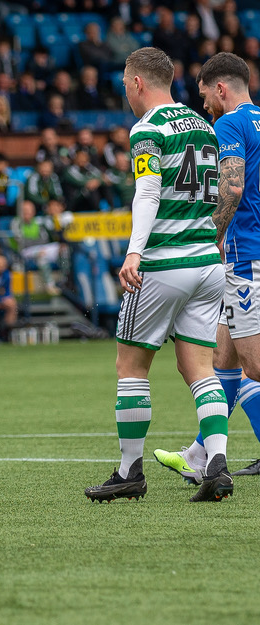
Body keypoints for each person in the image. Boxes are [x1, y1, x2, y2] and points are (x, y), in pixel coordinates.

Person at [84, 48, 230, 504]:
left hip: (165, 263)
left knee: (131, 366)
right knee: (200, 369)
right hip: (207, 261)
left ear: (137, 83)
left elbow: (147, 193)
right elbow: (223, 189)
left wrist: (133, 252)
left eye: (126, 84)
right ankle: (218, 465)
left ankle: (130, 471)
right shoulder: (204, 126)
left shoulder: (147, 129)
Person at [157, 52, 260, 480]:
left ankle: (202, 453)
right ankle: (201, 453)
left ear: (221, 88)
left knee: (255, 363)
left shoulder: (230, 124)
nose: (205, 106)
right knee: (224, 355)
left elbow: (231, 186)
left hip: (244, 252)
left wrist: (211, 239)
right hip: (253, 250)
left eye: (205, 96)